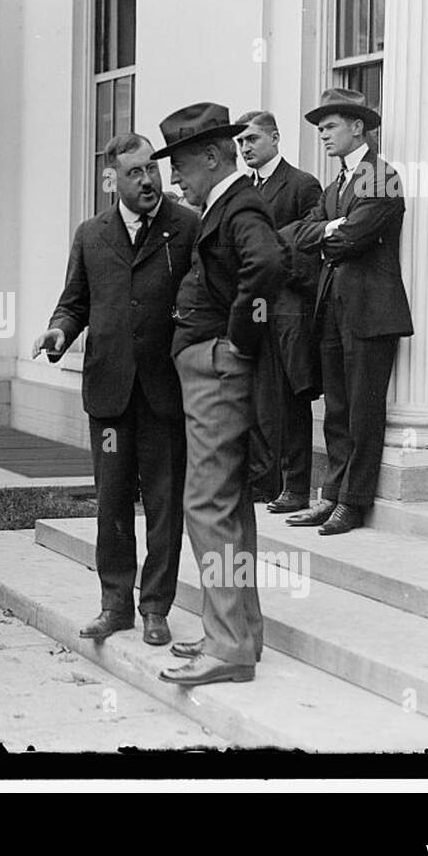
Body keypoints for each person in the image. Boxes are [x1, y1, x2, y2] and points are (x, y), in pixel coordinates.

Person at [33, 133, 200, 647]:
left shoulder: (185, 225)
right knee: (111, 503)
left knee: (166, 503)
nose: (149, 180)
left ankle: (155, 608)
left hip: (165, 392)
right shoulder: (91, 235)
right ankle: (115, 604)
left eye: (152, 169)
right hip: (109, 393)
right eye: (135, 173)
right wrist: (60, 332)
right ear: (113, 180)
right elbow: (75, 302)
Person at [151, 102, 284, 687]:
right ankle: (237, 637)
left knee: (206, 504)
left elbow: (269, 264)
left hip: (217, 371)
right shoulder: (225, 205)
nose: (174, 178)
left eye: (180, 165)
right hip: (211, 370)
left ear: (212, 156)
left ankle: (228, 646)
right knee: (226, 504)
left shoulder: (238, 204)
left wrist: (237, 341)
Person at [285, 88, 414, 536]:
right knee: (337, 409)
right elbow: (300, 234)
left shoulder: (381, 177)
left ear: (358, 126)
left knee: (362, 410)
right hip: (333, 308)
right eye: (320, 129)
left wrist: (329, 230)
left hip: (371, 311)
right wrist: (329, 227)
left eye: (330, 126)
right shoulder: (337, 184)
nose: (322, 135)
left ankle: (353, 503)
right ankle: (332, 496)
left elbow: (349, 239)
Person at [234, 110, 323, 514]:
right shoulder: (241, 190)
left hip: (289, 308)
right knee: (256, 397)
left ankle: (296, 486)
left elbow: (309, 241)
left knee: (290, 398)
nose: (245, 147)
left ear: (275, 138)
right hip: (253, 307)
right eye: (240, 142)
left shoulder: (302, 185)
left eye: (252, 139)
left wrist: (271, 251)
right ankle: (263, 482)